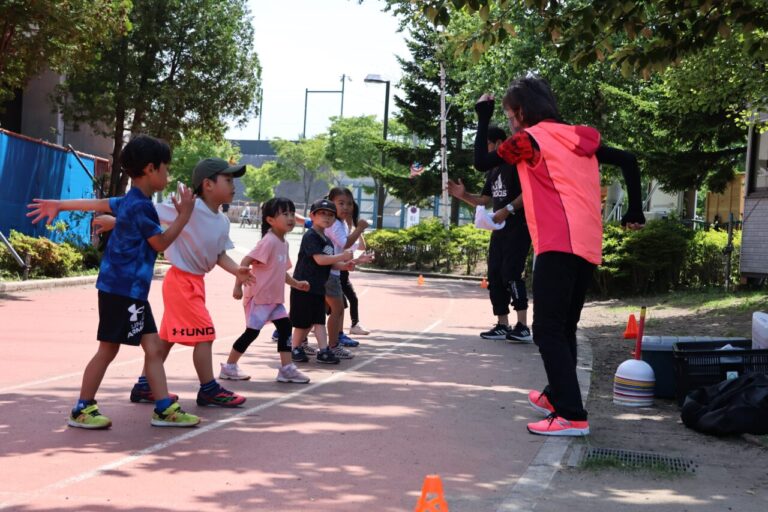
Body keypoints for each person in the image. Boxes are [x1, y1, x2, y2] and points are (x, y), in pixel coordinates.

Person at [474, 77, 645, 436]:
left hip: (557, 241)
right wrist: (634, 210)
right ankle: (558, 395)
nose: (508, 124)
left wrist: (482, 114)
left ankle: (571, 414)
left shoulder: (527, 140)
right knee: (564, 326)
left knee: (547, 330)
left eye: (507, 116)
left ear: (520, 113)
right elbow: (628, 160)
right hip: (586, 243)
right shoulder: (578, 137)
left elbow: (481, 162)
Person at [26, 135, 200, 429]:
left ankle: (163, 408)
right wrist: (184, 217)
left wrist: (60, 203)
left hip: (126, 290)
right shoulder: (141, 206)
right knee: (110, 350)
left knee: (153, 348)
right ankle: (83, 408)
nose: (167, 176)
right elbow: (158, 243)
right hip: (123, 291)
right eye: (165, 169)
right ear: (149, 169)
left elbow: (99, 203)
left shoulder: (134, 201)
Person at [447, 124, 533, 343]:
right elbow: (484, 200)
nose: (484, 153)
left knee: (511, 272)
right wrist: (462, 194)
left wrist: (508, 209)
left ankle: (522, 325)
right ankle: (502, 324)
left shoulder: (516, 162)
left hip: (519, 226)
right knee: (495, 273)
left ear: (498, 143)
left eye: (485, 146)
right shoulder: (493, 169)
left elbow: (529, 192)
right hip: (499, 228)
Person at [221, 197, 312, 384]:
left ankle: (286, 369)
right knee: (251, 332)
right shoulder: (269, 241)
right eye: (285, 214)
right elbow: (245, 262)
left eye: (292, 214)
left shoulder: (283, 243)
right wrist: (237, 285)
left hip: (274, 299)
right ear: (270, 220)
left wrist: (296, 283)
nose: (290, 218)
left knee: (286, 327)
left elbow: (280, 272)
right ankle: (229, 366)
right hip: (259, 297)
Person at [289, 199, 355, 365]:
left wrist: (345, 265)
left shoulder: (326, 240)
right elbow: (319, 260)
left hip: (319, 287)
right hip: (304, 286)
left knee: (318, 320)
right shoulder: (311, 236)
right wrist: (342, 256)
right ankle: (295, 347)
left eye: (330, 215)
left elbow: (331, 262)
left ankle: (324, 351)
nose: (326, 217)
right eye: (322, 213)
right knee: (303, 322)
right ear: (313, 216)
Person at [324, 188, 373, 353]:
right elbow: (345, 245)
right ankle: (332, 345)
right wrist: (359, 228)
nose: (346, 207)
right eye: (341, 203)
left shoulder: (342, 224)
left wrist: (356, 260)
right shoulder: (334, 224)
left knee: (328, 310)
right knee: (335, 309)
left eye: (349, 204)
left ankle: (330, 342)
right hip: (327, 273)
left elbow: (352, 248)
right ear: (331, 204)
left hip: (335, 271)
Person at [341, 200, 371, 336]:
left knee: (350, 300)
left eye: (350, 210)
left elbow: (361, 247)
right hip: (333, 272)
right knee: (335, 305)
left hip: (343, 272)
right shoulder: (338, 228)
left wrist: (358, 228)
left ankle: (354, 325)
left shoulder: (350, 228)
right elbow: (342, 250)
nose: (346, 211)